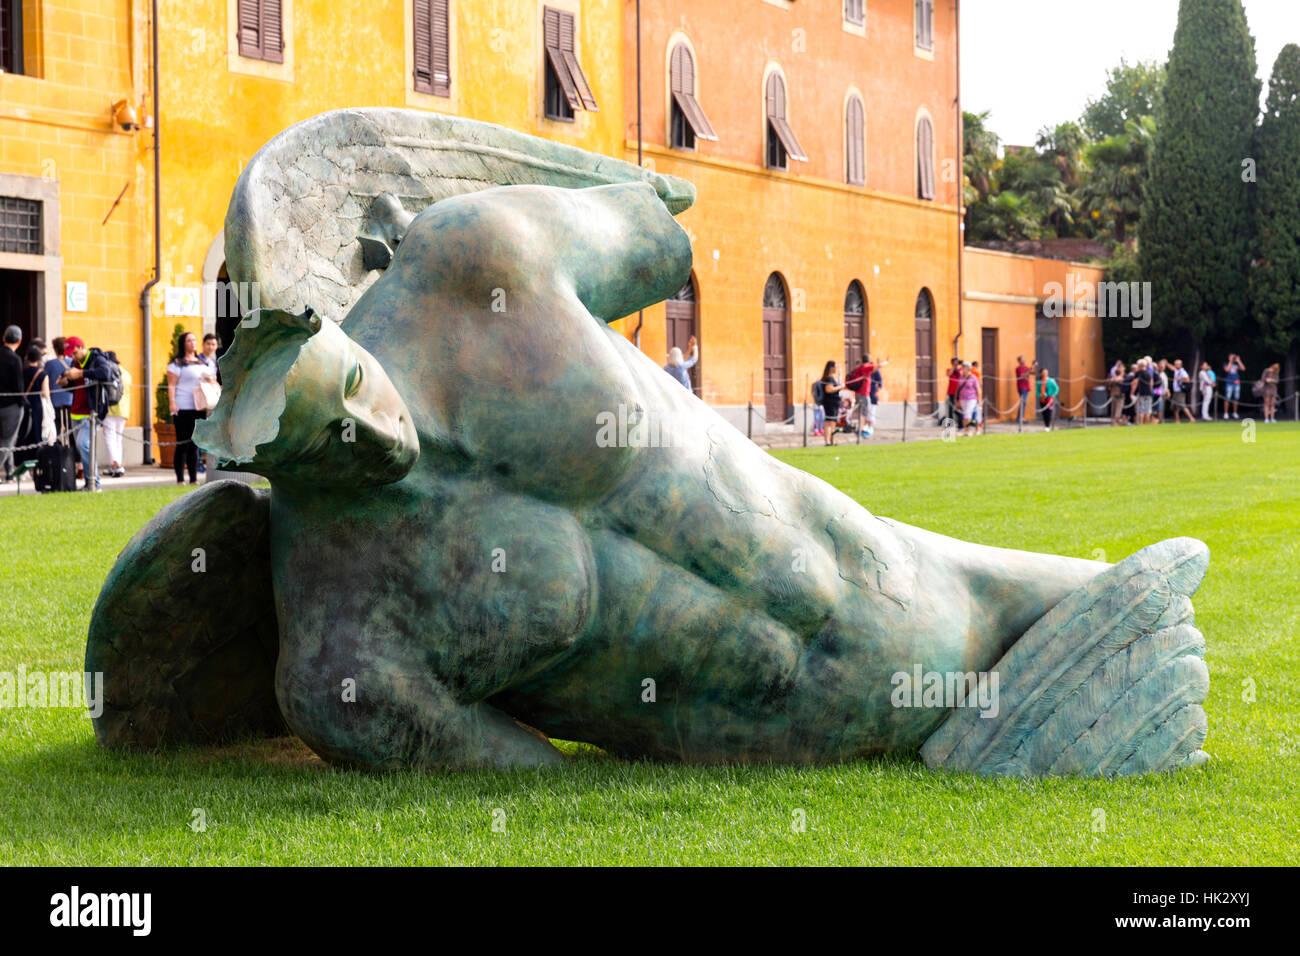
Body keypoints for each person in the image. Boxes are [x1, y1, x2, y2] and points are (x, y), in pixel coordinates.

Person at [57, 336, 113, 491]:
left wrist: (80, 373)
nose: (72, 357)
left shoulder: (96, 358)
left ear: (82, 347)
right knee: (82, 448)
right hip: (76, 413)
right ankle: (90, 482)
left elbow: (104, 373)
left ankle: (94, 482)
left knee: (83, 444)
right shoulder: (75, 364)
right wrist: (65, 383)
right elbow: (76, 386)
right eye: (70, 355)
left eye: (74, 353)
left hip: (92, 413)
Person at [167, 331, 217, 485]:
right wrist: (172, 403)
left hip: (198, 407)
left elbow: (212, 381)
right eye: (189, 341)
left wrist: (210, 381)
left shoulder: (201, 363)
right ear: (183, 343)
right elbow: (171, 385)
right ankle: (180, 479)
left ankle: (194, 479)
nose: (193, 343)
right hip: (182, 407)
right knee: (182, 443)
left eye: (194, 340)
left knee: (195, 444)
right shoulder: (176, 363)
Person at [17, 344, 52, 466]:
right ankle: (37, 460)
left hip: (24, 405)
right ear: (39, 358)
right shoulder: (42, 374)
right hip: (37, 406)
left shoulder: (22, 372)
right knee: (36, 432)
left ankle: (22, 461)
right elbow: (46, 394)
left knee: (23, 433)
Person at [0, 325, 25, 481]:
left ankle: (10, 471)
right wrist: (22, 403)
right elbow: (18, 386)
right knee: (8, 440)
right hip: (10, 406)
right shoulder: (15, 359)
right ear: (19, 341)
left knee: (6, 440)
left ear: (4, 338)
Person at [100, 349, 131, 478]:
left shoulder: (109, 371)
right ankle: (117, 464)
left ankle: (116, 464)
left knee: (109, 437)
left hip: (111, 408)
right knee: (118, 438)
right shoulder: (126, 373)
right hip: (124, 410)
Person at [845, 354, 888, 437]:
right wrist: (887, 361)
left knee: (863, 412)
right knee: (864, 413)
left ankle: (861, 429)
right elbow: (879, 366)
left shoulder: (859, 368)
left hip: (858, 393)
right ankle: (861, 429)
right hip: (864, 394)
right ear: (868, 361)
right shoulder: (866, 368)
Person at [817, 360, 845, 446]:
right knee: (829, 421)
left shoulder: (831, 377)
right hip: (830, 403)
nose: (836, 368)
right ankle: (828, 441)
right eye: (835, 366)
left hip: (834, 403)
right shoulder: (829, 378)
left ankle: (831, 440)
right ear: (831, 368)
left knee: (832, 422)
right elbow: (828, 389)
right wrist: (840, 387)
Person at [956, 362, 980, 437]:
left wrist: (979, 398)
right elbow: (958, 389)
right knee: (965, 414)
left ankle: (969, 430)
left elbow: (977, 389)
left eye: (963, 368)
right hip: (962, 398)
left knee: (967, 413)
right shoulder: (961, 378)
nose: (962, 369)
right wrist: (956, 399)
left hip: (971, 398)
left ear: (967, 369)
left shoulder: (973, 377)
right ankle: (965, 430)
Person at [1170, 359, 1194, 423]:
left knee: (1182, 405)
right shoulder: (1176, 370)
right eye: (1175, 364)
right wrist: (1167, 364)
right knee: (1174, 406)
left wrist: (1179, 379)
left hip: (1180, 391)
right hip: (1176, 391)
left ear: (1180, 365)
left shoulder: (1183, 372)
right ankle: (1177, 420)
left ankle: (1191, 418)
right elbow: (1172, 368)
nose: (1175, 365)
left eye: (1176, 364)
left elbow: (1188, 380)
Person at [1222, 354, 1245, 420]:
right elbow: (1227, 370)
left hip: (1236, 383)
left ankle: (1235, 413)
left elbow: (1243, 368)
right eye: (1231, 357)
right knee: (1227, 398)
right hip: (1229, 383)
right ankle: (1226, 413)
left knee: (1236, 398)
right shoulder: (1226, 363)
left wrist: (1239, 361)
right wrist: (1230, 361)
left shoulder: (1237, 364)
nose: (1233, 358)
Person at [1015, 356, 1036, 425]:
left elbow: (1033, 373)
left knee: (1024, 402)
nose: (1024, 360)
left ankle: (1020, 417)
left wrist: (1034, 366)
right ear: (1019, 361)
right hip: (1022, 387)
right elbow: (1022, 375)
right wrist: (1029, 370)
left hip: (1026, 387)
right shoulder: (1018, 368)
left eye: (1024, 359)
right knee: (1023, 402)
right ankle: (1020, 417)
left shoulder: (1026, 368)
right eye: (1022, 359)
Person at [1037, 368, 1059, 432]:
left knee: (1048, 412)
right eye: (1043, 372)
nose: (1045, 373)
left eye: (1046, 372)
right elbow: (1037, 391)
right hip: (1042, 398)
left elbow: (1056, 388)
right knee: (1044, 413)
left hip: (1049, 398)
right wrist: (1040, 395)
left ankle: (1047, 426)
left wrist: (1054, 394)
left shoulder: (1051, 380)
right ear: (1041, 373)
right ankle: (1046, 425)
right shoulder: (1039, 382)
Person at [1107, 361, 1127, 426]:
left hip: (1113, 394)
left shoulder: (1112, 379)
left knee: (1114, 407)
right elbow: (1123, 387)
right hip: (1120, 394)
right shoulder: (1121, 379)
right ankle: (1116, 421)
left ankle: (1114, 420)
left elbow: (1109, 387)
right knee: (1119, 407)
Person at [945, 358, 961, 425]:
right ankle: (950, 423)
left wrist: (958, 368)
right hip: (951, 392)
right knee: (951, 408)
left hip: (960, 392)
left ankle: (960, 422)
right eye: (954, 362)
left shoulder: (960, 370)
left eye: (957, 362)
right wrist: (953, 367)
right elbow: (948, 374)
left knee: (960, 407)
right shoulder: (949, 369)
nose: (956, 364)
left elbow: (961, 375)